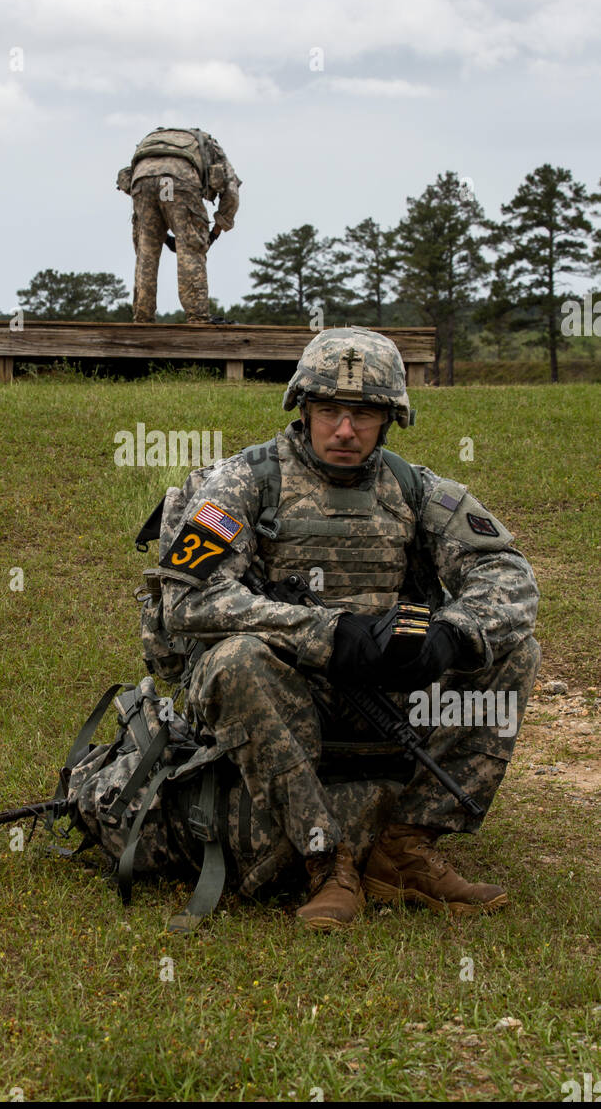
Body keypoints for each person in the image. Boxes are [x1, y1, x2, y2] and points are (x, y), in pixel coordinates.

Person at [159, 327, 540, 931]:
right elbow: (189, 600)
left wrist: (449, 634)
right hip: (282, 694)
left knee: (511, 647)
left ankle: (405, 848)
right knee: (237, 658)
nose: (345, 430)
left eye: (363, 414)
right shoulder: (240, 484)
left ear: (388, 419)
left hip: (384, 691)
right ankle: (325, 860)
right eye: (330, 411)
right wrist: (327, 636)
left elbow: (508, 573)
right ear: (303, 409)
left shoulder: (413, 489)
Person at [116, 127, 240, 324]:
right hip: (182, 180)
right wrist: (214, 234)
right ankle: (197, 317)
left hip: (141, 180)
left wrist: (162, 236)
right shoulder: (209, 145)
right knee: (190, 250)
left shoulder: (152, 140)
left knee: (146, 252)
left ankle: (142, 318)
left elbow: (134, 185)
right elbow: (231, 192)